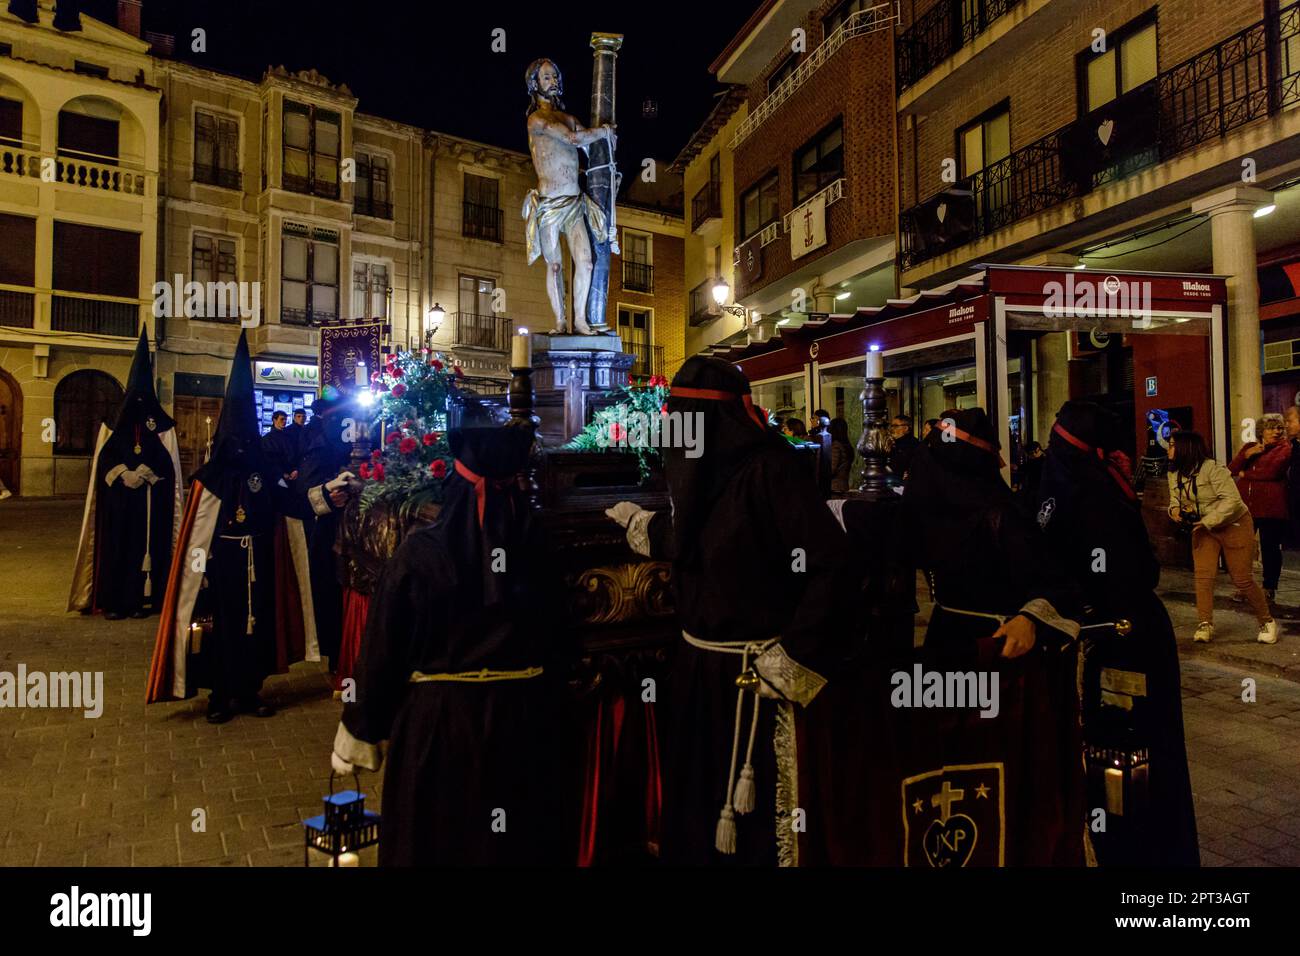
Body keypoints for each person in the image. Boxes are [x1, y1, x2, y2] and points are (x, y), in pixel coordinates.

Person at [604, 356, 854, 865]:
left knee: (756, 825)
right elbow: (696, 536)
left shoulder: (771, 470)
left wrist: (790, 659)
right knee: (699, 808)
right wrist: (642, 525)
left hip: (757, 678)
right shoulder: (703, 473)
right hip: (698, 672)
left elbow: (833, 565)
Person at [332, 414, 573, 865]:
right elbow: (562, 642)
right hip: (522, 727)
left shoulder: (419, 554)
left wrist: (361, 728)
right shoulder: (539, 548)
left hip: (439, 733)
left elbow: (382, 650)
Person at [903, 407, 1086, 865]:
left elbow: (1058, 585)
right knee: (947, 765)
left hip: (998, 654)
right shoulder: (930, 513)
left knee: (995, 766)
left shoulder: (1001, 514)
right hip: (949, 645)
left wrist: (1031, 617)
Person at [1036, 400, 1198, 866]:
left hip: (1107, 638)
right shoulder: (1093, 487)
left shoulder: (1070, 489)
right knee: (1128, 755)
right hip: (1124, 634)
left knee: (1118, 758)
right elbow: (1136, 569)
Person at [146, 331, 319, 719]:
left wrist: (325, 496)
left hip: (259, 563)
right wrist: (199, 572)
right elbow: (196, 535)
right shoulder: (210, 479)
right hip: (222, 567)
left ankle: (251, 691)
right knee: (223, 628)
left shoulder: (265, 472)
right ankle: (220, 695)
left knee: (257, 626)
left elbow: (291, 507)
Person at [68, 330, 181, 620]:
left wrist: (147, 473)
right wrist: (123, 473)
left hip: (148, 507)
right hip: (118, 505)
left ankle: (144, 600)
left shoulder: (161, 426)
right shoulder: (114, 425)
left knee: (145, 550)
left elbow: (168, 465)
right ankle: (115, 601)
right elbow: (105, 459)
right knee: (117, 549)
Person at [523, 57, 616, 334]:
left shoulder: (570, 119)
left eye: (554, 76)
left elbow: (589, 145)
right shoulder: (536, 119)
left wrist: (607, 153)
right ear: (535, 84)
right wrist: (603, 132)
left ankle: (579, 320)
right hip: (549, 203)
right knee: (554, 266)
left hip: (574, 202)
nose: (552, 81)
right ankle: (560, 321)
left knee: (585, 262)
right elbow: (574, 139)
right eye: (546, 77)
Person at [1167, 430, 1278, 644]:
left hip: (1233, 523)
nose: (1168, 449)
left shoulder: (1213, 469)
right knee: (1203, 577)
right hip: (1203, 526)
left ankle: (1267, 621)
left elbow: (1232, 501)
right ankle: (1205, 623)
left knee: (1242, 579)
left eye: (1172, 445)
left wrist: (1207, 521)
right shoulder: (1174, 473)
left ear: (1185, 448)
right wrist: (1174, 511)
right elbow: (1175, 499)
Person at [1228, 413, 1290, 601]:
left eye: (1279, 428)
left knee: (1270, 548)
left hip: (1272, 507)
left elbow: (1271, 472)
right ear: (1261, 431)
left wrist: (1245, 474)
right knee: (1243, 548)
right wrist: (1246, 455)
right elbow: (1231, 469)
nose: (1276, 432)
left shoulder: (1285, 449)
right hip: (1247, 506)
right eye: (1271, 428)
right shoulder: (1250, 447)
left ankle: (1269, 587)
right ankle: (1244, 586)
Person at [887, 414, 919, 480]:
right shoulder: (894, 443)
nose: (892, 429)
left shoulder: (912, 444)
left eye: (895, 426)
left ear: (906, 428)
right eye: (891, 426)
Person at [829, 417, 855, 495]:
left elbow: (831, 469)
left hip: (834, 487)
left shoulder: (836, 446)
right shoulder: (847, 445)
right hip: (843, 486)